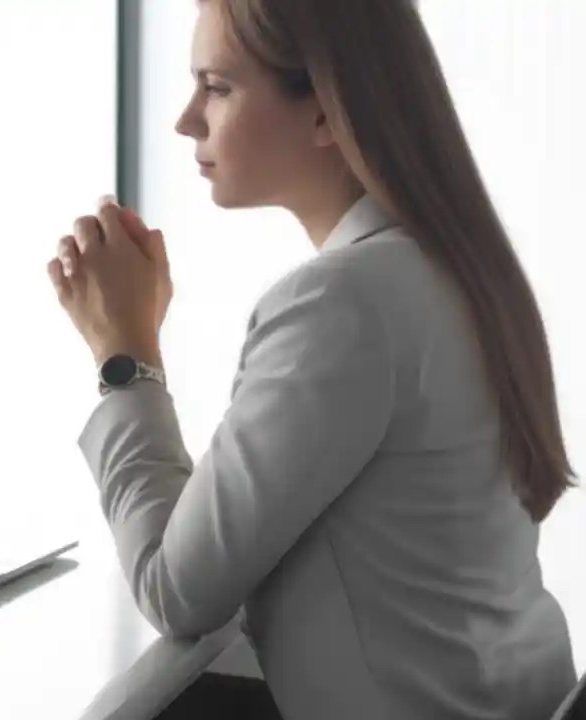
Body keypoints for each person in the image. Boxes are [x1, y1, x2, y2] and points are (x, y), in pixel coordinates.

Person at [46, 1, 578, 718]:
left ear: (327, 110)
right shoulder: (451, 266)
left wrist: (125, 355)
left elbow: (175, 590)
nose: (187, 119)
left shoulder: (342, 304)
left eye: (218, 86)